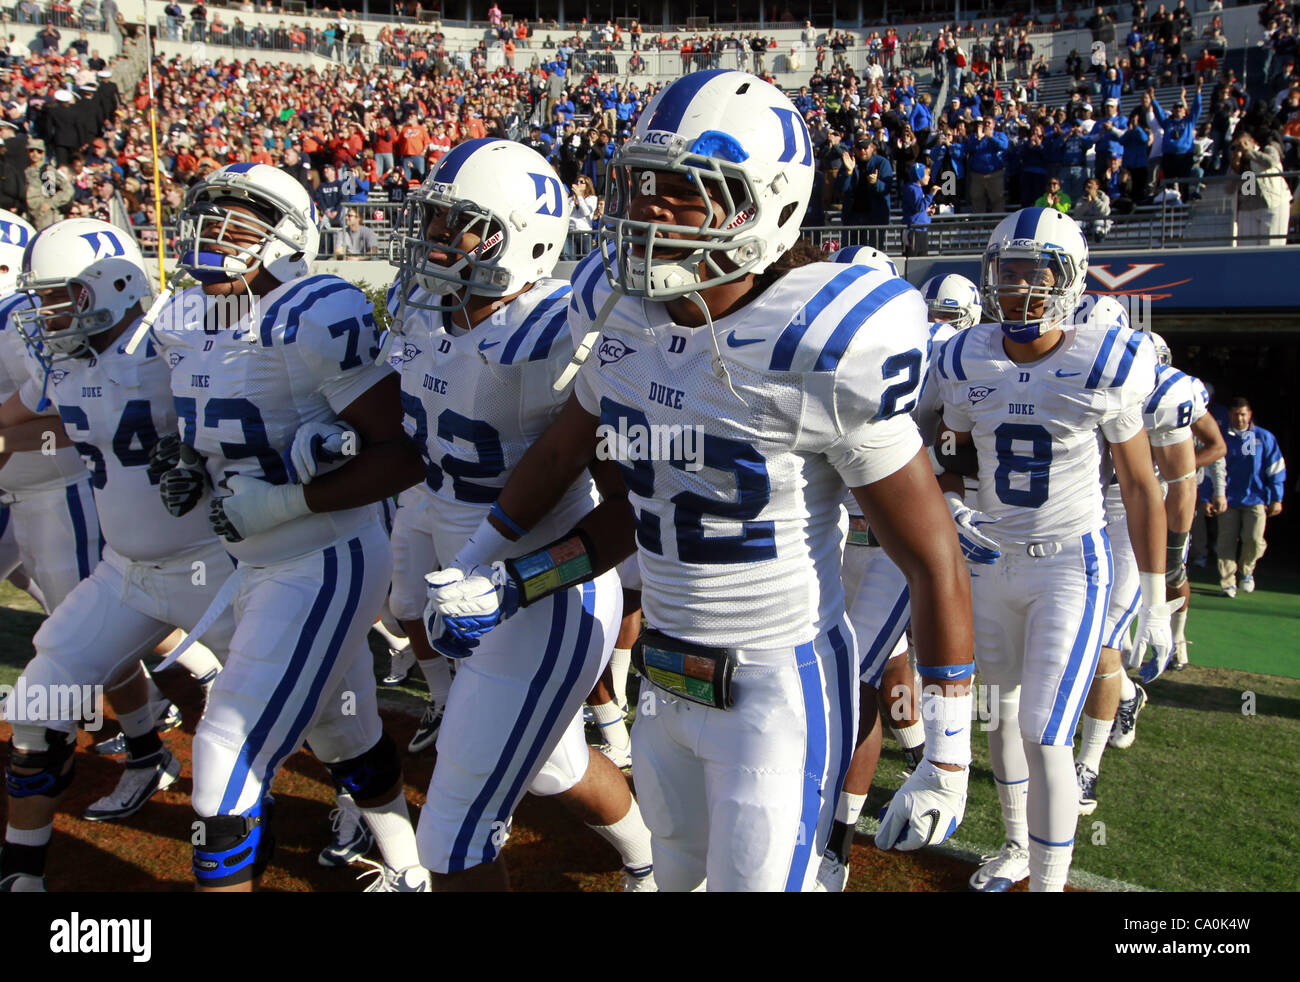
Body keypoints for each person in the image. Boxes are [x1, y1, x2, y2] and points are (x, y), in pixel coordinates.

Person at [423, 71, 976, 892]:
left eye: (684, 194)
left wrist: (950, 752)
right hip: (669, 681)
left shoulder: (816, 345)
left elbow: (934, 558)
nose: (648, 215)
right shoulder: (617, 317)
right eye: (641, 189)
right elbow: (629, 522)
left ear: (767, 207)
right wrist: (504, 581)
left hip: (778, 688)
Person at [384, 138, 657, 891]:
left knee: (452, 828)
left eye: (459, 225)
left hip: (546, 598)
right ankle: (649, 860)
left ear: (523, 236)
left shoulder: (556, 331)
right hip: (458, 570)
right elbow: (418, 440)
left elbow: (629, 509)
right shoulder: (422, 312)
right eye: (434, 220)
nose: (436, 240)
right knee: (554, 766)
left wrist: (518, 580)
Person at [154, 162, 429, 891]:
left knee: (223, 750)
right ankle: (409, 868)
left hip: (323, 555)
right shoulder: (189, 315)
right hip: (251, 559)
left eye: (237, 225)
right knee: (345, 731)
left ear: (287, 239)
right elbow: (221, 425)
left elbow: (401, 455)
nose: (214, 237)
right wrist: (186, 462)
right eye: (208, 219)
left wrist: (284, 501)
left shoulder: (315, 311)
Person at [935, 207, 1175, 892]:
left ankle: (1049, 881)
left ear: (1067, 281)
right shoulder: (964, 355)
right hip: (989, 561)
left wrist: (1154, 603)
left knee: (1044, 732)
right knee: (1003, 720)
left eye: (1037, 273)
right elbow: (952, 456)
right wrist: (953, 505)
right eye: (1008, 272)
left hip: (1068, 565)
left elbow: (1139, 485)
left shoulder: (1103, 359)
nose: (1020, 288)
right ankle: (1015, 847)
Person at [0, 221, 231, 892]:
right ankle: (21, 872)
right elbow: (30, 411)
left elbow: (255, 419)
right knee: (40, 704)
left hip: (213, 566)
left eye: (59, 297)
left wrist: (201, 453)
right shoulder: (64, 358)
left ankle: (373, 815)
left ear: (112, 286)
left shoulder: (178, 340)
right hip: (125, 573)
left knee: (314, 718)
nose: (45, 315)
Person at [1067, 310, 1220, 815]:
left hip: (1128, 510)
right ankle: (1126, 695)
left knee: (1103, 642)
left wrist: (1171, 559)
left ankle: (1086, 765)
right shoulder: (1058, 364)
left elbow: (1178, 481)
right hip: (1074, 508)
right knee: (1066, 636)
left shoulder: (1161, 388)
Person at [1217, 398, 1286, 597]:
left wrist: (1276, 497)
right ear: (1230, 415)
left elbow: (1275, 468)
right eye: (1236, 414)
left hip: (1256, 498)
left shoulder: (1263, 437)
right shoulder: (1222, 437)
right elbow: (1212, 468)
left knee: (1254, 539)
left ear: (1250, 414)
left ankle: (1246, 571)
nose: (1240, 418)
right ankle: (1227, 582)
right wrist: (1209, 496)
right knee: (1226, 541)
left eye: (1243, 414)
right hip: (1228, 499)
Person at [836, 136, 893, 250]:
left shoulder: (882, 163)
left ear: (872, 148)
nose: (863, 151)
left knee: (873, 255)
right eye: (859, 148)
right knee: (849, 253)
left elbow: (886, 188)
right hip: (852, 216)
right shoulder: (849, 162)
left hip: (875, 218)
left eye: (865, 147)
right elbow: (841, 188)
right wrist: (848, 172)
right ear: (855, 149)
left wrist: (875, 183)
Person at [1073, 176, 1113, 241]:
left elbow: (1105, 212)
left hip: (1099, 221)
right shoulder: (1081, 199)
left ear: (1097, 186)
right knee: (1076, 224)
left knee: (1098, 223)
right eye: (1087, 183)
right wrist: (1086, 204)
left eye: (1091, 183)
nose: (1088, 185)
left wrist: (1095, 199)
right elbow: (1077, 214)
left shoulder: (1104, 197)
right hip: (1086, 222)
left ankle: (1099, 236)